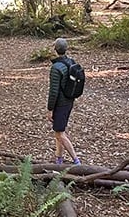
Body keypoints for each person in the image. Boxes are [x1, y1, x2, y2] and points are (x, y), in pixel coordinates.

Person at [46, 37, 81, 165]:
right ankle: (59, 159)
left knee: (60, 134)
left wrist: (50, 109)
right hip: (69, 101)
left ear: (55, 49)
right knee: (58, 132)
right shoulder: (70, 62)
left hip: (60, 104)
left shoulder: (56, 67)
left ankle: (76, 161)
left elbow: (53, 91)